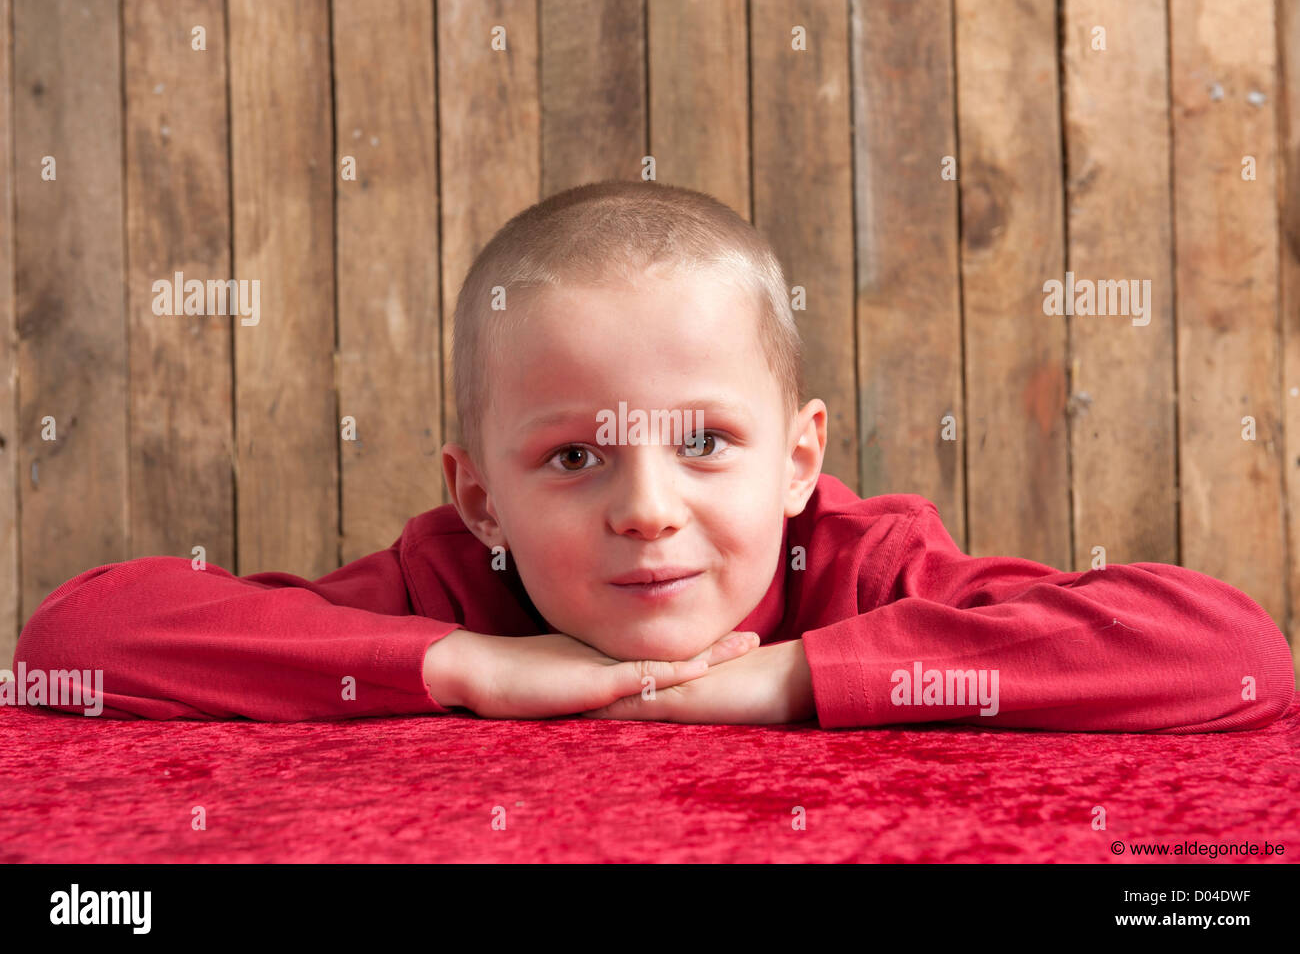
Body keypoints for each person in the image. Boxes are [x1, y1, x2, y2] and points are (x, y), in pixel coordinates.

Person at [13, 180, 1295, 730]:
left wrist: (794, 679)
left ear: (798, 460)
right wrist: (469, 666)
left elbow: (1230, 655)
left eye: (705, 444)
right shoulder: (452, 586)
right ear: (479, 494)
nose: (647, 509)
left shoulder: (868, 570)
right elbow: (70, 646)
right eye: (574, 457)